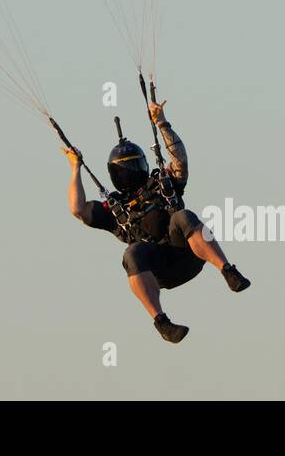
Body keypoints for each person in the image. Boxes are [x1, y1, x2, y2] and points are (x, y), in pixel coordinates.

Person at [66, 99, 250, 344]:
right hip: (159, 272)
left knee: (182, 217)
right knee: (132, 253)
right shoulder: (113, 209)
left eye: (132, 164)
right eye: (124, 168)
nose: (129, 171)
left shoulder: (164, 183)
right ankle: (163, 323)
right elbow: (78, 208)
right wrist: (75, 169)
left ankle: (228, 271)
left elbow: (180, 162)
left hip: (190, 255)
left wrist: (162, 123)